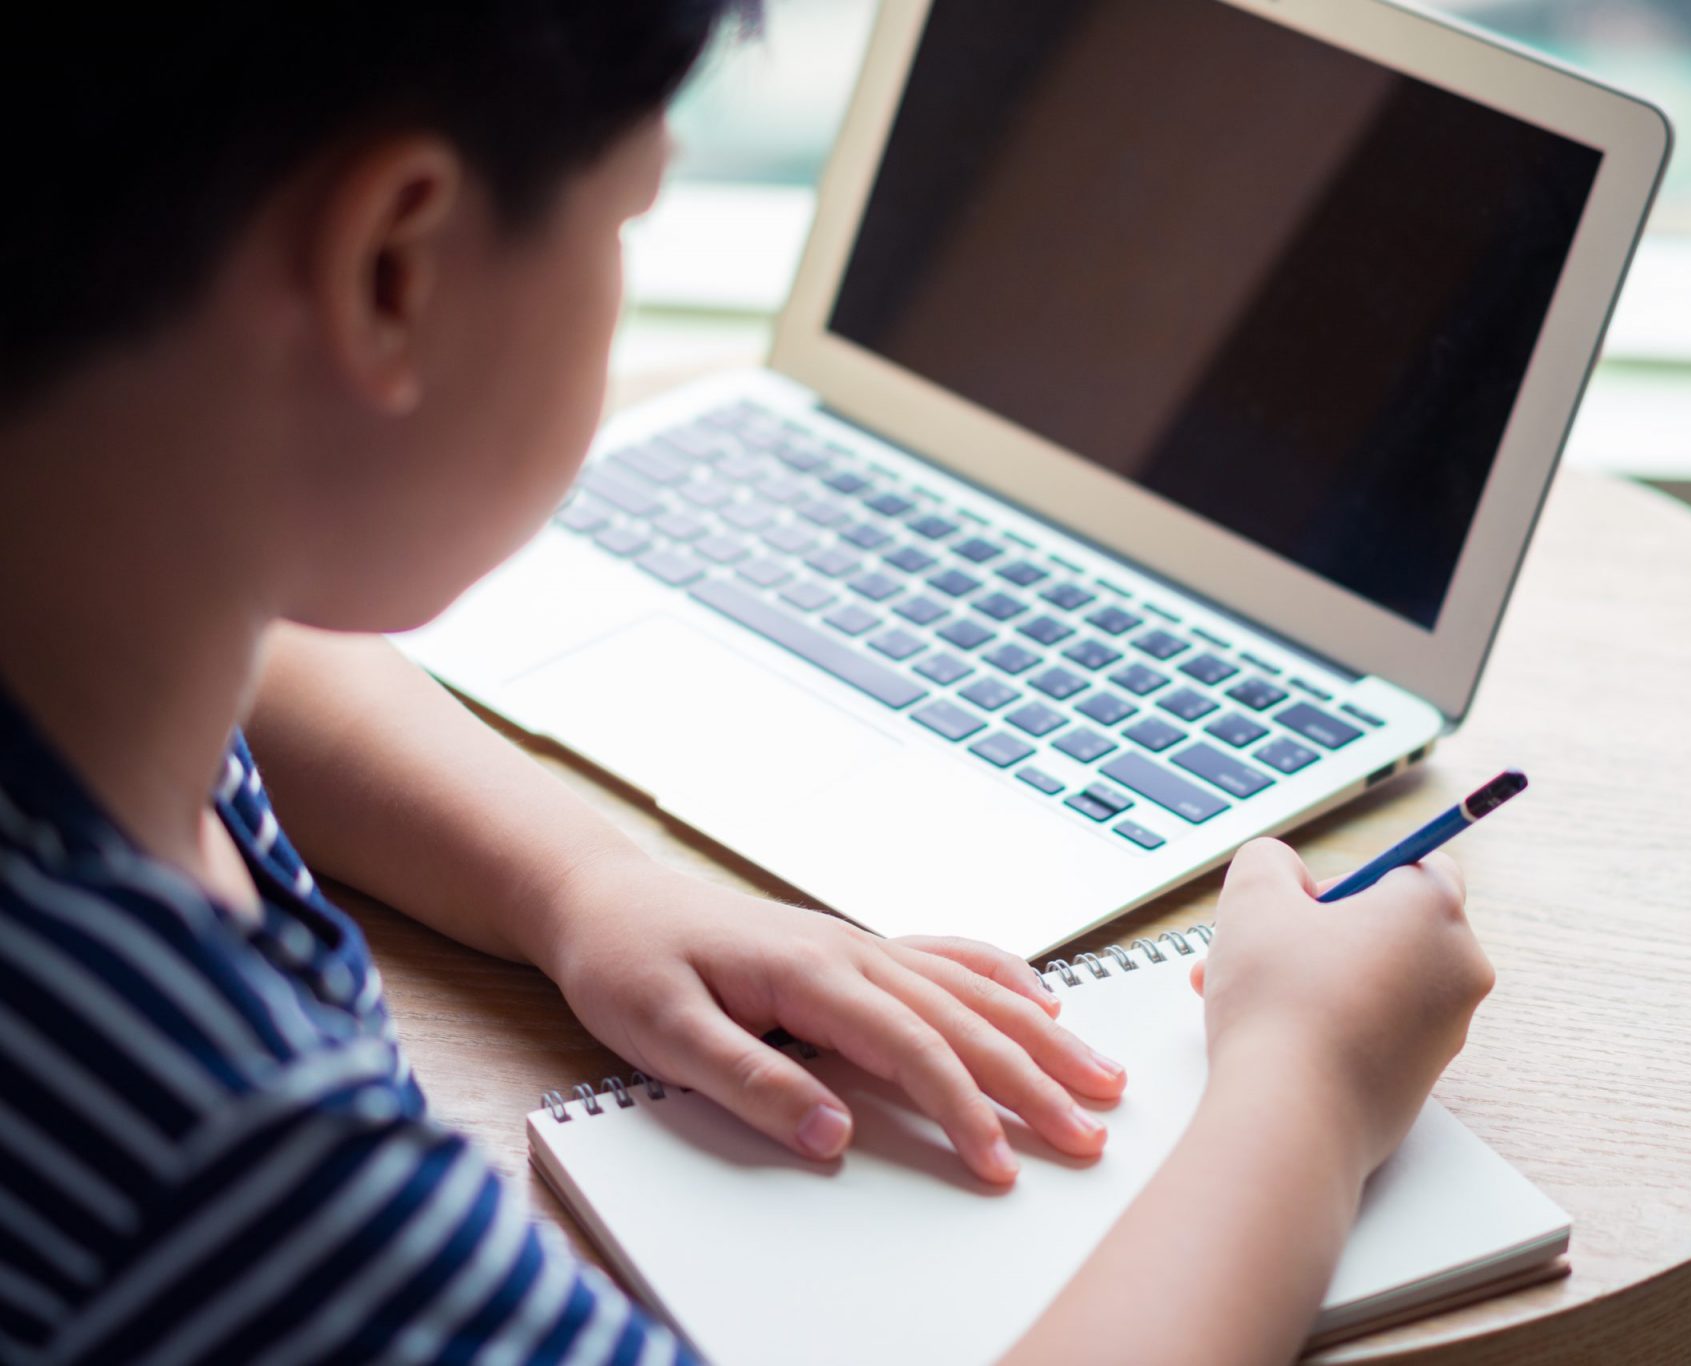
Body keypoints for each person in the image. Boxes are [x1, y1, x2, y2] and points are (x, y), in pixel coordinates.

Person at [0, 3, 1493, 1362]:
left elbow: (259, 660)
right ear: (395, 269)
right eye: (631, 212)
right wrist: (1307, 1089)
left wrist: (583, 881)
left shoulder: (92, 608)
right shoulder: (216, 1166)